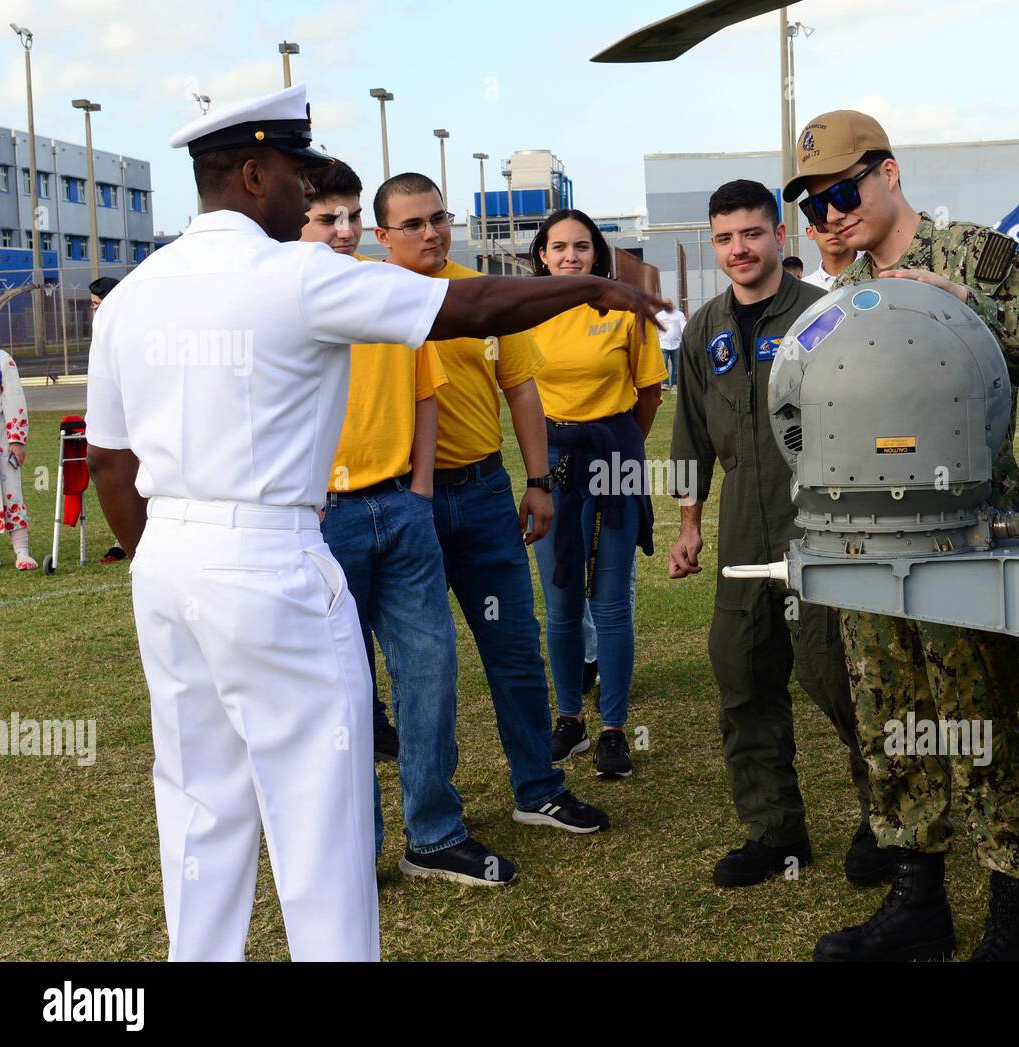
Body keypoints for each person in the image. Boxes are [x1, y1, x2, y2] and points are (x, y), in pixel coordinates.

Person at [85, 85, 663, 961]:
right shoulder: (296, 273)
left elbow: (109, 464)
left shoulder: (132, 293)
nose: (308, 195)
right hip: (268, 551)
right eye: (297, 174)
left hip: (166, 557)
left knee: (199, 801)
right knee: (321, 806)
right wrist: (587, 285)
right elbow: (463, 309)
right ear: (251, 174)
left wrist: (161, 557)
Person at [784, 109, 1019, 961]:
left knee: (974, 719)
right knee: (889, 714)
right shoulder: (848, 296)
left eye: (841, 192)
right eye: (811, 204)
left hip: (964, 533)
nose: (829, 215)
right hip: (867, 537)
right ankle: (919, 900)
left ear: (890, 173)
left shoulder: (976, 254)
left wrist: (966, 303)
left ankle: (1013, 919)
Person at [370, 170, 609, 838]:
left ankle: (538, 787)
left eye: (438, 217)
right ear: (381, 234)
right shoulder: (366, 295)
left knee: (514, 649)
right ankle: (429, 818)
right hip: (398, 504)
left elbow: (523, 389)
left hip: (480, 494)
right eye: (412, 224)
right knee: (424, 671)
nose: (430, 232)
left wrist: (538, 480)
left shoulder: (481, 293)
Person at [668, 179, 882, 889]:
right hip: (741, 535)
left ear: (779, 237)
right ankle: (773, 829)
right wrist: (689, 523)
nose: (740, 249)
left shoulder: (824, 316)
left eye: (752, 234)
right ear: (713, 244)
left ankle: (887, 819)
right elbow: (691, 434)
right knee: (742, 677)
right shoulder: (705, 331)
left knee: (838, 680)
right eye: (726, 237)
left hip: (818, 528)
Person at [529, 208, 667, 779]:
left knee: (611, 603)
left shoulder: (625, 311)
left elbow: (650, 393)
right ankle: (569, 719)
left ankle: (613, 728)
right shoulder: (524, 316)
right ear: (541, 254)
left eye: (581, 246)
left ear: (597, 254)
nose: (570, 256)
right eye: (558, 246)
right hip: (552, 463)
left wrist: (621, 450)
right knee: (560, 604)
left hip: (615, 454)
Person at [298, 158, 398, 764]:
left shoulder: (382, 284)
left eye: (355, 216)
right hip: (316, 507)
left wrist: (413, 486)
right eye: (327, 217)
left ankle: (387, 727)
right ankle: (364, 724)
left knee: (418, 646)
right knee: (339, 642)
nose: (344, 229)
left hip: (393, 494)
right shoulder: (273, 292)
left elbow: (424, 388)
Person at [87, 277, 128, 565]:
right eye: (92, 306)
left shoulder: (128, 330)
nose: (96, 311)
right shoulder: (98, 333)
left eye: (100, 305)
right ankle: (122, 540)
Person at [0, 344, 33, 569]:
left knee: (11, 492)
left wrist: (16, 440)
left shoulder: (0, 359)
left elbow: (14, 399)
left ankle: (22, 551)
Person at [802, 221, 858, 290]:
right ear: (810, 232)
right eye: (823, 226)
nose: (833, 231)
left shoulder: (874, 273)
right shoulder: (804, 288)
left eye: (839, 224)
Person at [656, 302, 686, 390]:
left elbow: (683, 326)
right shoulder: (659, 315)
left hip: (676, 344)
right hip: (663, 344)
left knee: (676, 365)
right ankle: (664, 384)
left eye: (668, 304)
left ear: (672, 305)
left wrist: (686, 334)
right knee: (663, 364)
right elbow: (655, 329)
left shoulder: (679, 314)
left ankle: (675, 384)